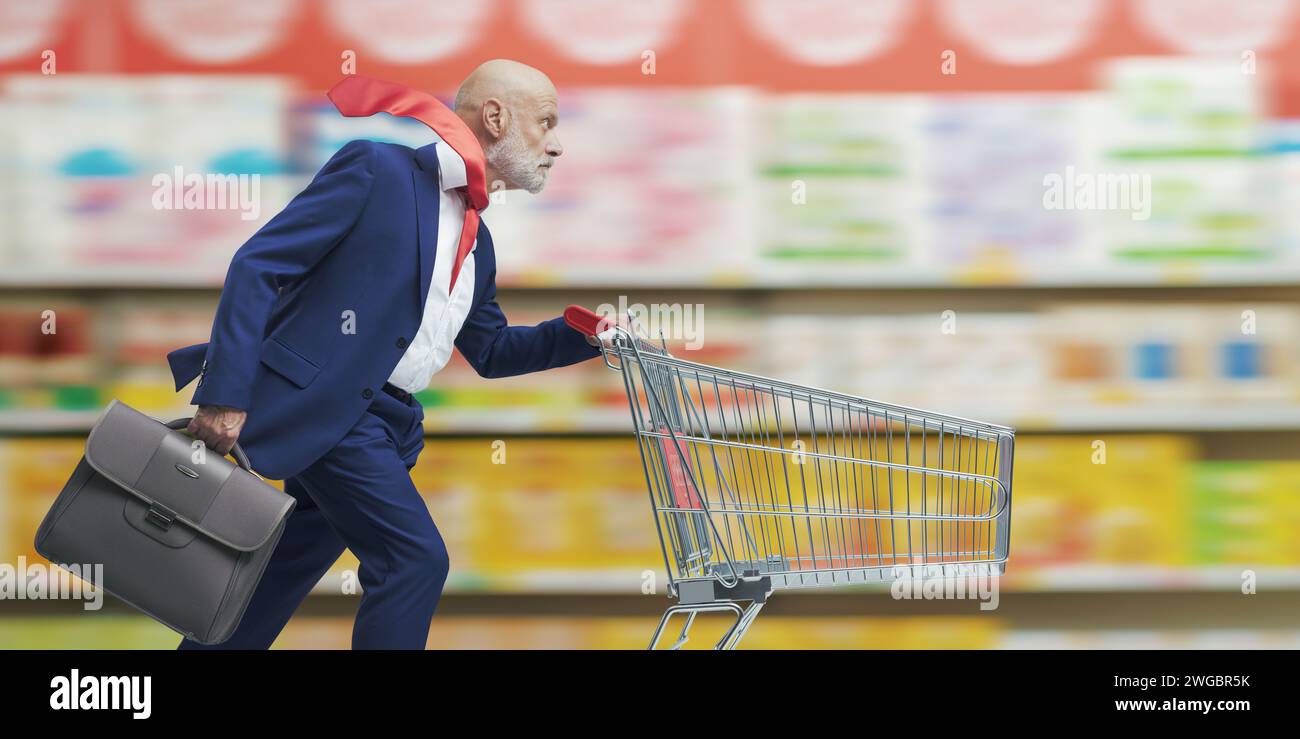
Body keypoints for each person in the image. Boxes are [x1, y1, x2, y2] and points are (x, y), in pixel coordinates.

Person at [166, 60, 614, 649]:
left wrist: (584, 334)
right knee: (414, 561)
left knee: (275, 573)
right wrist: (225, 394)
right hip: (329, 409)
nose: (556, 146)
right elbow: (258, 265)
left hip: (384, 424)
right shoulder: (378, 169)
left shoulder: (479, 242)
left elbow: (493, 350)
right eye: (547, 123)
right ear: (497, 117)